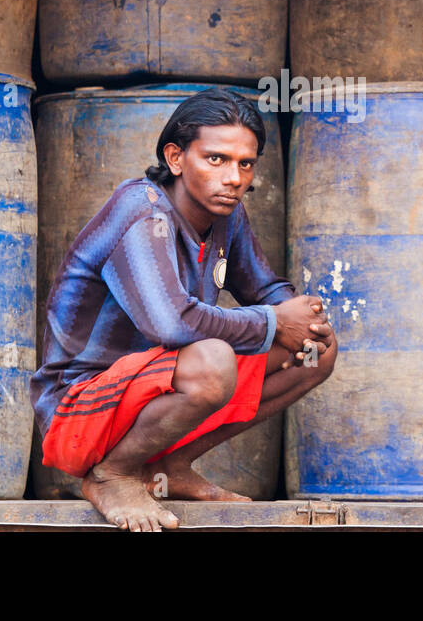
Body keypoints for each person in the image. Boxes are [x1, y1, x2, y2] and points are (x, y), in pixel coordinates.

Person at [30, 88, 336, 531]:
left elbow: (265, 289)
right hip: (78, 411)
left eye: (245, 164)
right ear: (175, 158)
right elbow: (172, 323)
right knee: (213, 361)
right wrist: (275, 322)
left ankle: (168, 469)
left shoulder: (226, 216)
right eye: (216, 159)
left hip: (146, 401)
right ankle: (112, 475)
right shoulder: (141, 211)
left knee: (314, 353)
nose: (233, 177)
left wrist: (302, 319)